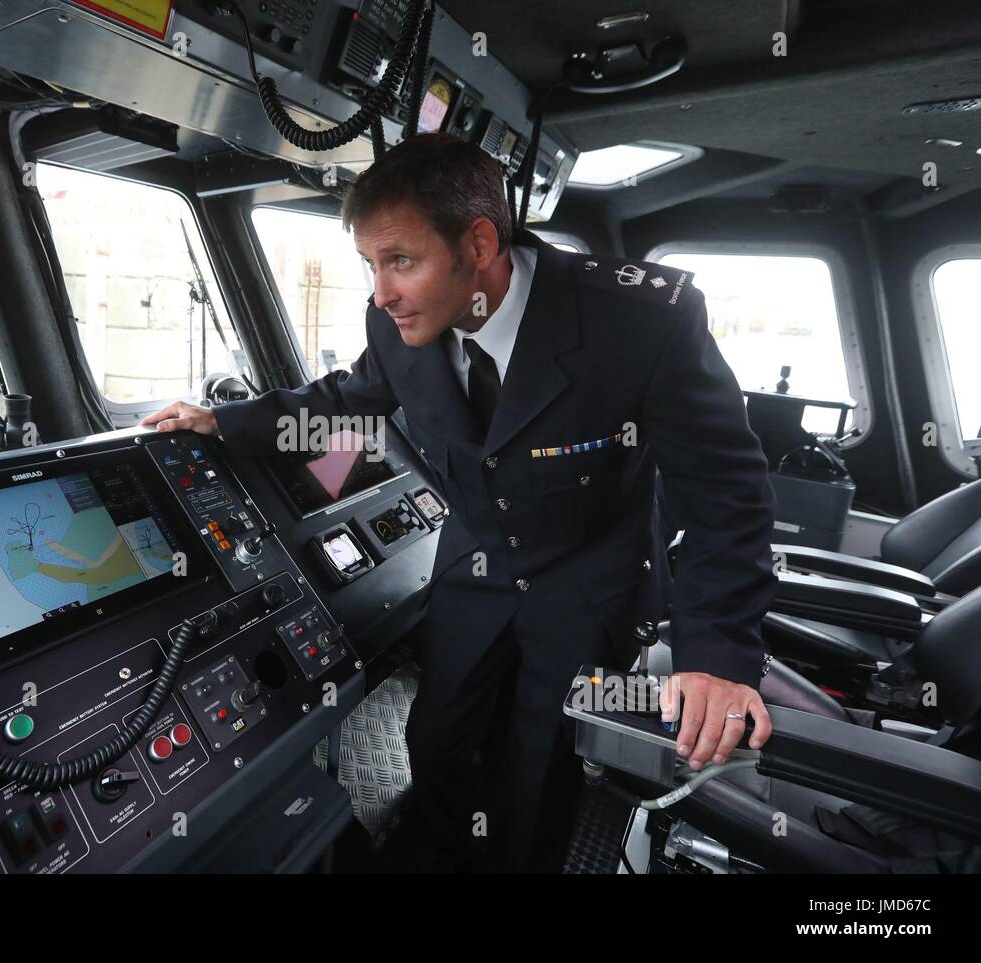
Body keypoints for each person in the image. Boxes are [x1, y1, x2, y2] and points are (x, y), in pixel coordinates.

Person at [141, 132, 777, 872]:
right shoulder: (397, 321)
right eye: (370, 265)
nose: (380, 291)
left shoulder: (641, 321)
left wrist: (719, 655)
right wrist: (227, 421)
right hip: (474, 566)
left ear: (478, 244)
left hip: (587, 581)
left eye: (401, 260)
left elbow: (726, 494)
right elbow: (351, 401)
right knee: (437, 738)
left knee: (539, 764)